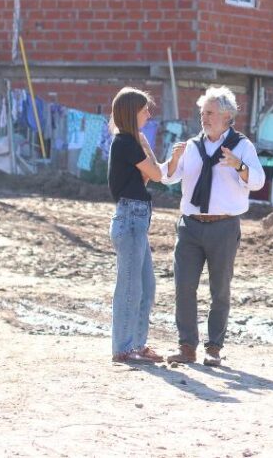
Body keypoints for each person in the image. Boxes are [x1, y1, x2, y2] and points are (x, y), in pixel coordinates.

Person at [162, 86, 265, 366]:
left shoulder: (242, 146)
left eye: (209, 113)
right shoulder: (192, 146)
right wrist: (171, 161)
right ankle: (186, 347)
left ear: (227, 116)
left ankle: (214, 348)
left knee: (220, 289)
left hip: (223, 227)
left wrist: (238, 165)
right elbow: (168, 177)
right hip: (190, 227)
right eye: (202, 113)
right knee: (184, 286)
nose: (203, 118)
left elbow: (258, 181)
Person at [107, 87, 165, 364]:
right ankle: (123, 347)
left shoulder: (131, 142)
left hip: (136, 219)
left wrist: (146, 144)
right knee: (130, 287)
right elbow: (156, 173)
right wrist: (147, 147)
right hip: (130, 218)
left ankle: (138, 344)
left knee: (146, 286)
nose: (148, 114)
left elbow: (147, 178)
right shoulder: (126, 143)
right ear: (132, 112)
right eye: (144, 110)